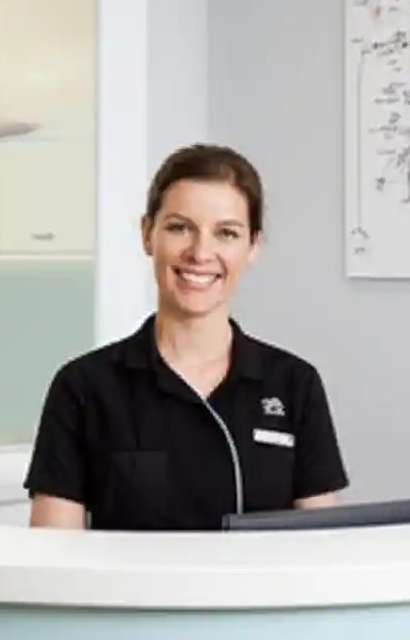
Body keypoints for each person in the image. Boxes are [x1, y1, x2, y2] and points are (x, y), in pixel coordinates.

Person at [23, 143, 348, 531]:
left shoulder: (294, 385)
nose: (200, 252)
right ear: (147, 234)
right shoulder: (83, 388)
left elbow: (322, 548)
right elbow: (54, 552)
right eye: (180, 228)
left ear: (253, 247)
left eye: (226, 233)